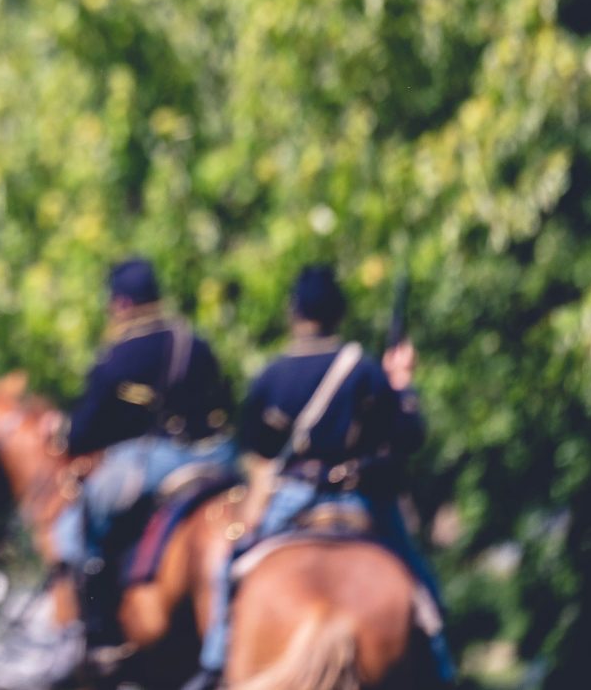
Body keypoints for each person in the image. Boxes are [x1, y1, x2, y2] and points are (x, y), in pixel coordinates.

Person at [191, 265, 452, 688]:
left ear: (294, 313)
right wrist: (402, 385)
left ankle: (213, 664)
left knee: (231, 567)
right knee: (423, 589)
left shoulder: (271, 375)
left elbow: (257, 447)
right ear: (339, 314)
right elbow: (407, 437)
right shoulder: (364, 371)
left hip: (293, 499)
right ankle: (444, 670)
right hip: (360, 503)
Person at [51, 257, 235, 649]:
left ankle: (98, 630)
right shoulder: (193, 342)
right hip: (219, 457)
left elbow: (82, 433)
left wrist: (67, 438)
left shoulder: (118, 355)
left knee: (83, 525)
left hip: (154, 463)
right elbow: (224, 400)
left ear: (120, 304)